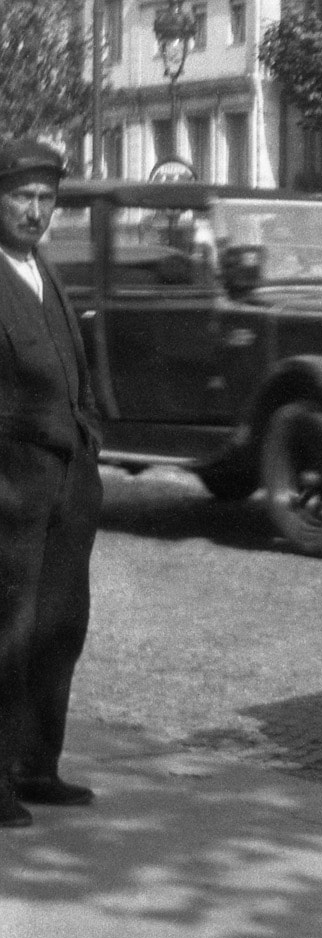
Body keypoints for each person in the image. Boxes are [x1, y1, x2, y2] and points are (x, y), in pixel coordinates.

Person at [0, 139, 102, 828]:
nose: (36, 211)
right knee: (8, 632)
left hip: (68, 485)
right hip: (9, 487)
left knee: (60, 626)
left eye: (46, 199)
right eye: (22, 197)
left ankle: (38, 764)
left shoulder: (45, 270)